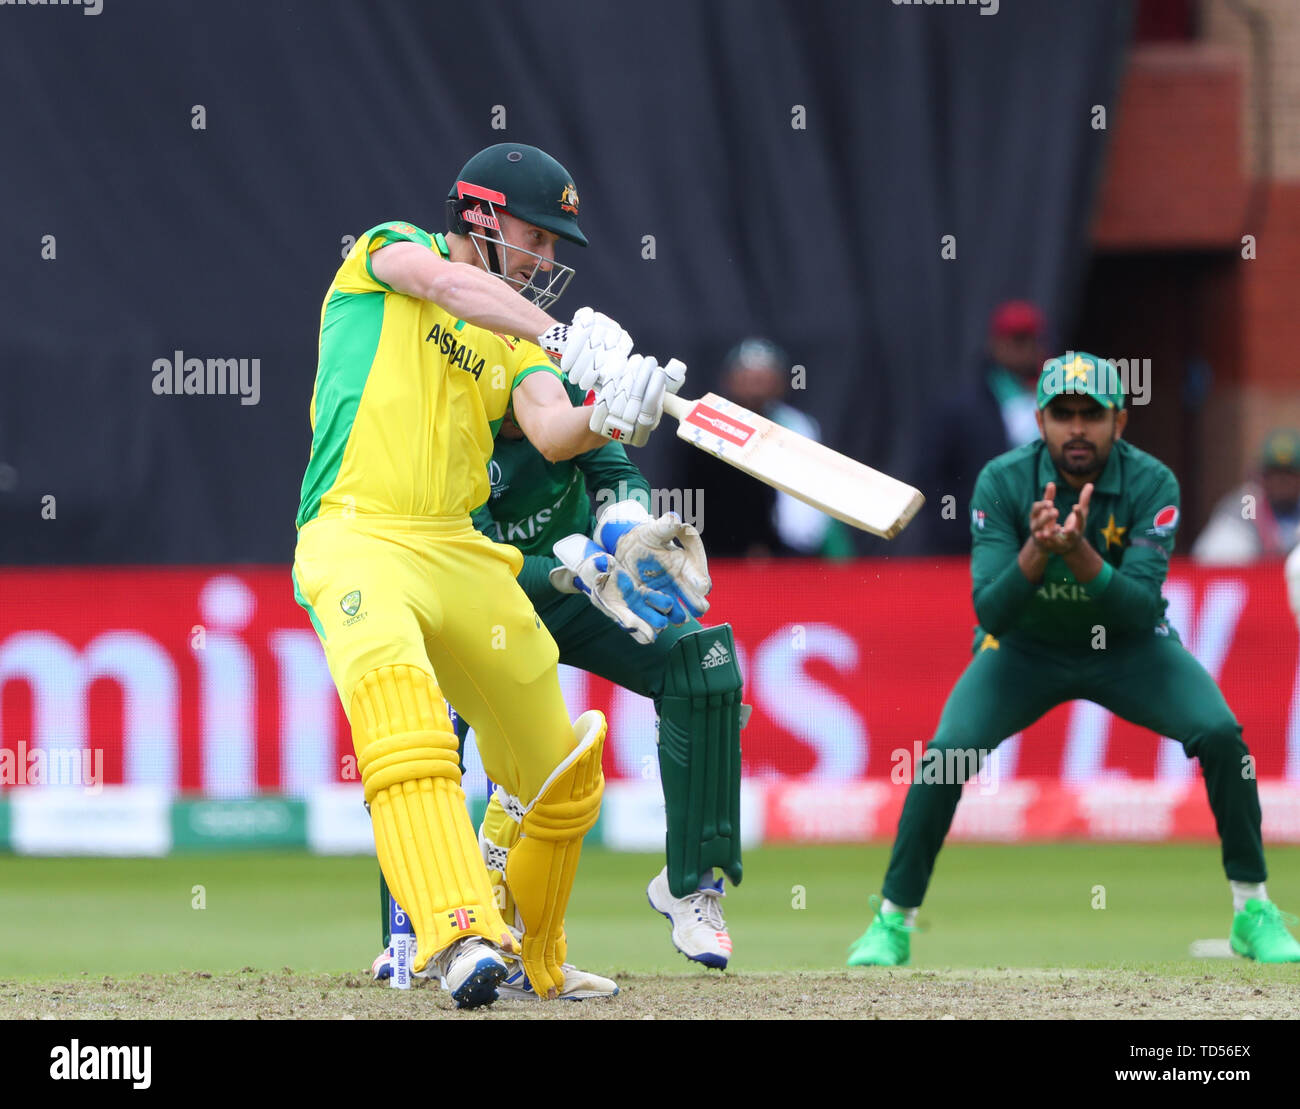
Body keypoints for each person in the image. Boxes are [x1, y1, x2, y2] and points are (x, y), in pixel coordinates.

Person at [292, 142, 686, 1008]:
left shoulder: (514, 342)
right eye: (537, 238)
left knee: (559, 765)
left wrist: (616, 409)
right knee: (407, 716)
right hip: (357, 535)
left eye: (556, 248)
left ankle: (536, 957)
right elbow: (444, 286)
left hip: (460, 551)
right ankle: (455, 933)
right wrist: (550, 331)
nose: (548, 260)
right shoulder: (387, 253)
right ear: (480, 214)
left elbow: (552, 430)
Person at [847, 352, 1300, 966]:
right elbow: (993, 614)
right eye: (1063, 414)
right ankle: (892, 923)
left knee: (1221, 736)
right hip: (1024, 650)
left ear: (1121, 420)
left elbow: (1140, 611)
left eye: (1093, 414)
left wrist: (1080, 553)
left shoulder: (1152, 483)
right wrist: (1038, 550)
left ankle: (1253, 911)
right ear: (1039, 419)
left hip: (1129, 649)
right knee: (944, 758)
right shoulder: (1003, 482)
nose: (1078, 428)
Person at [372, 394, 745, 993]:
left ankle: (689, 882)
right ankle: (417, 928)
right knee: (427, 737)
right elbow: (476, 557)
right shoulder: (447, 413)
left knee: (704, 665)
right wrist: (576, 571)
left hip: (586, 597)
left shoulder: (562, 392)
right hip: (484, 604)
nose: (541, 403)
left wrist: (628, 529)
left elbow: (619, 475)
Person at [682, 338, 852, 558]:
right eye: (749, 378)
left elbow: (817, 493)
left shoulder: (797, 427)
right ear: (730, 380)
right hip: (722, 553)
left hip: (790, 554)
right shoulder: (707, 428)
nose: (755, 387)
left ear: (779, 382)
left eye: (762, 378)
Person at [911, 300, 1048, 556]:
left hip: (1038, 540)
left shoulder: (1051, 399)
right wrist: (957, 532)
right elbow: (931, 476)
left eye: (1030, 340)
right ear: (996, 343)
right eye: (1016, 340)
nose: (1024, 349)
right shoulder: (961, 405)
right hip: (973, 544)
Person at [1192, 429, 1300, 564]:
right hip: (1256, 582)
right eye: (1274, 474)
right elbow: (1209, 555)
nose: (1281, 481)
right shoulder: (1245, 504)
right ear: (1262, 476)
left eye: (1289, 474)